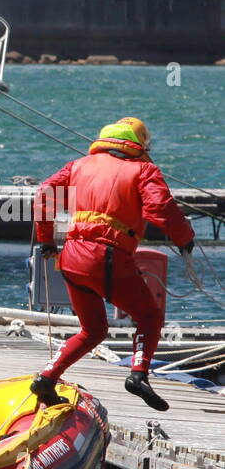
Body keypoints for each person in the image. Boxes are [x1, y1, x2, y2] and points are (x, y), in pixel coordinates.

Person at [31, 119, 195, 411]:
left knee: (92, 330)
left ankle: (46, 379)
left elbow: (44, 193)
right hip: (106, 256)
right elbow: (161, 209)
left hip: (70, 256)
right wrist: (185, 238)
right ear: (139, 144)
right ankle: (138, 374)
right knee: (148, 315)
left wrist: (46, 241)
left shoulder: (77, 165)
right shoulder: (143, 170)